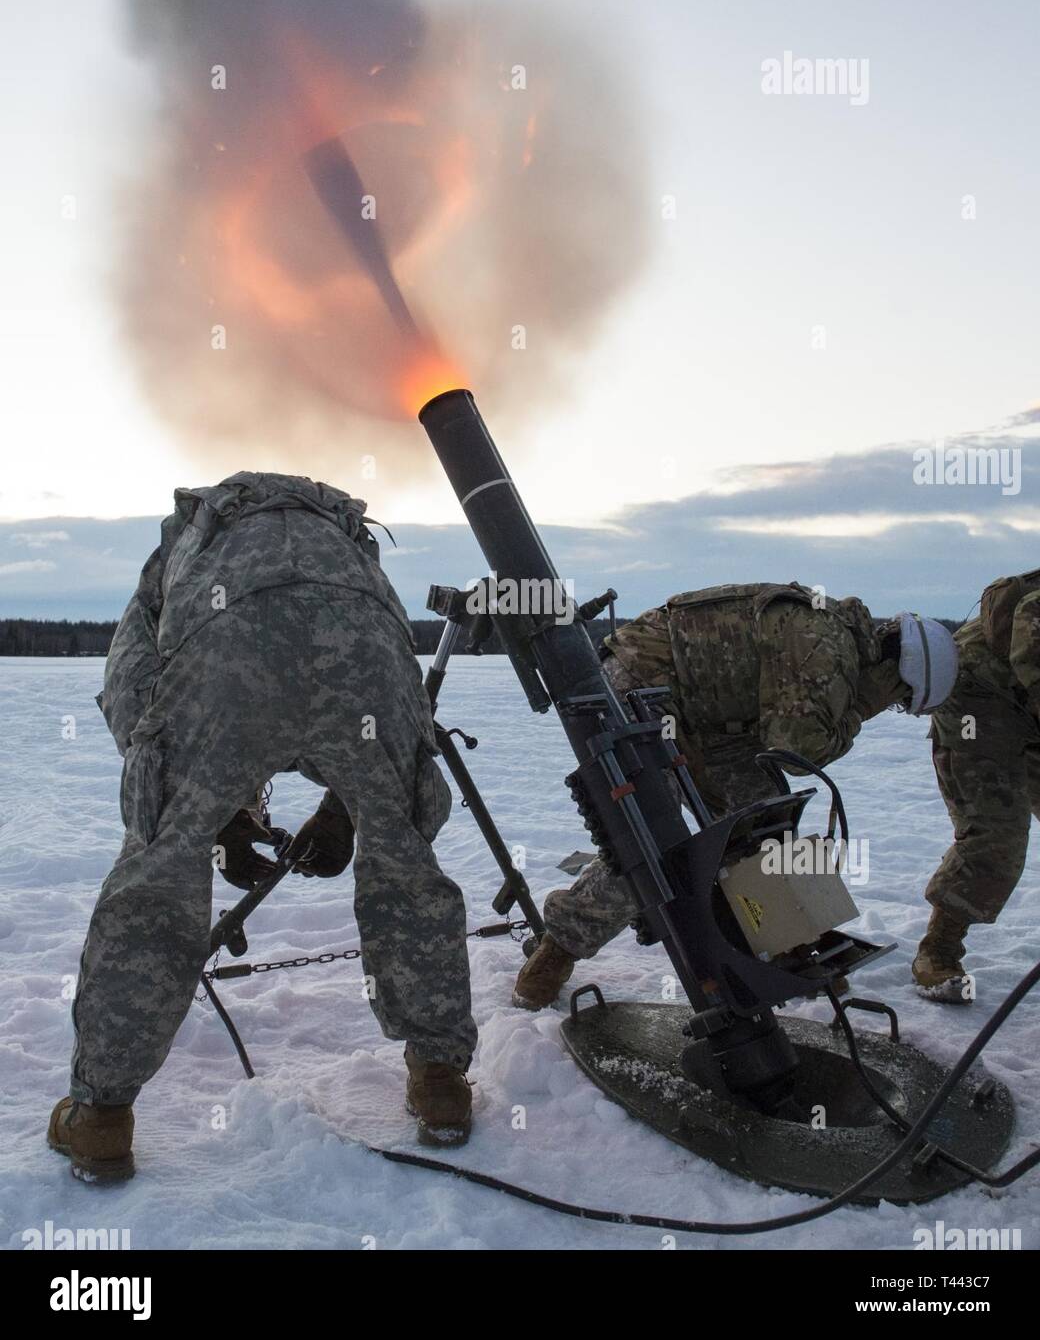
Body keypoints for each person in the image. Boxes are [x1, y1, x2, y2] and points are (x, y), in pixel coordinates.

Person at [48, 473, 476, 1183]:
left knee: (155, 883)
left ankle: (101, 1118)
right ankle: (440, 1084)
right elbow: (375, 661)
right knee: (406, 866)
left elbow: (135, 690)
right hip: (368, 660)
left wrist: (198, 814)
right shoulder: (345, 542)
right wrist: (355, 806)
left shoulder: (187, 542)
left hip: (227, 660)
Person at [513, 582, 958, 1010]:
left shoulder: (837, 641)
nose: (891, 705)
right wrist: (860, 708)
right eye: (899, 698)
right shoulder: (827, 649)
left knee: (760, 817)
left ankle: (785, 940)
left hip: (710, 718)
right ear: (893, 670)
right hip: (640, 686)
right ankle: (559, 948)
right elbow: (796, 749)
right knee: (650, 835)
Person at [913, 570, 1040, 1003]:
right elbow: (1032, 653)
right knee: (996, 835)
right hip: (977, 703)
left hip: (1027, 706)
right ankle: (938, 951)